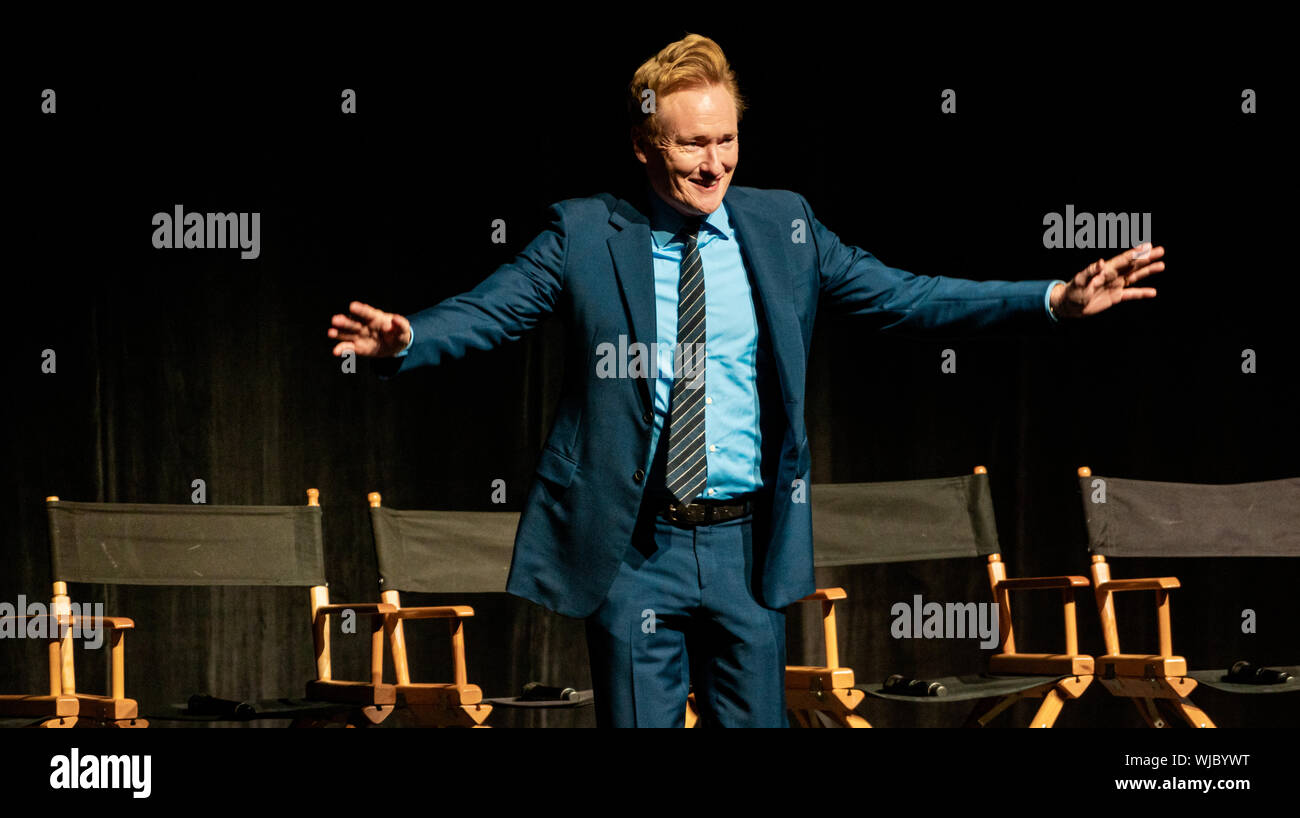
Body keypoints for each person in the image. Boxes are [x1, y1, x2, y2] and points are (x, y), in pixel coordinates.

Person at [327, 34, 1164, 727]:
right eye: (693, 142)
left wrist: (1052, 297)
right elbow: (493, 310)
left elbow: (907, 296)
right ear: (646, 142)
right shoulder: (586, 235)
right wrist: (410, 338)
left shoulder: (783, 224)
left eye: (726, 139)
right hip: (634, 549)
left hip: (745, 547)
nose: (713, 161)